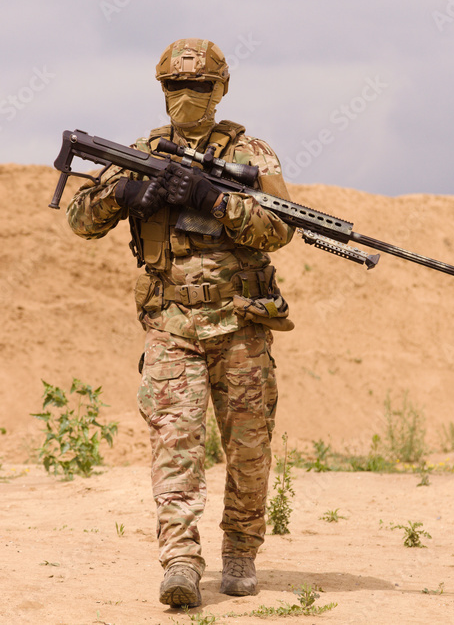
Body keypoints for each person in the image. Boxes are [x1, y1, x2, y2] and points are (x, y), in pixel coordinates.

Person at [66, 38, 294, 608]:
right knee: (175, 446)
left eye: (198, 86)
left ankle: (240, 551)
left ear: (220, 90)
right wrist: (123, 193)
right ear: (162, 88)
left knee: (248, 448)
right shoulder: (139, 151)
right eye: (175, 86)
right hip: (170, 325)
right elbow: (80, 219)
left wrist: (212, 199)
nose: (186, 96)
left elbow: (281, 229)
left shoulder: (253, 154)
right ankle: (181, 562)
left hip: (240, 323)